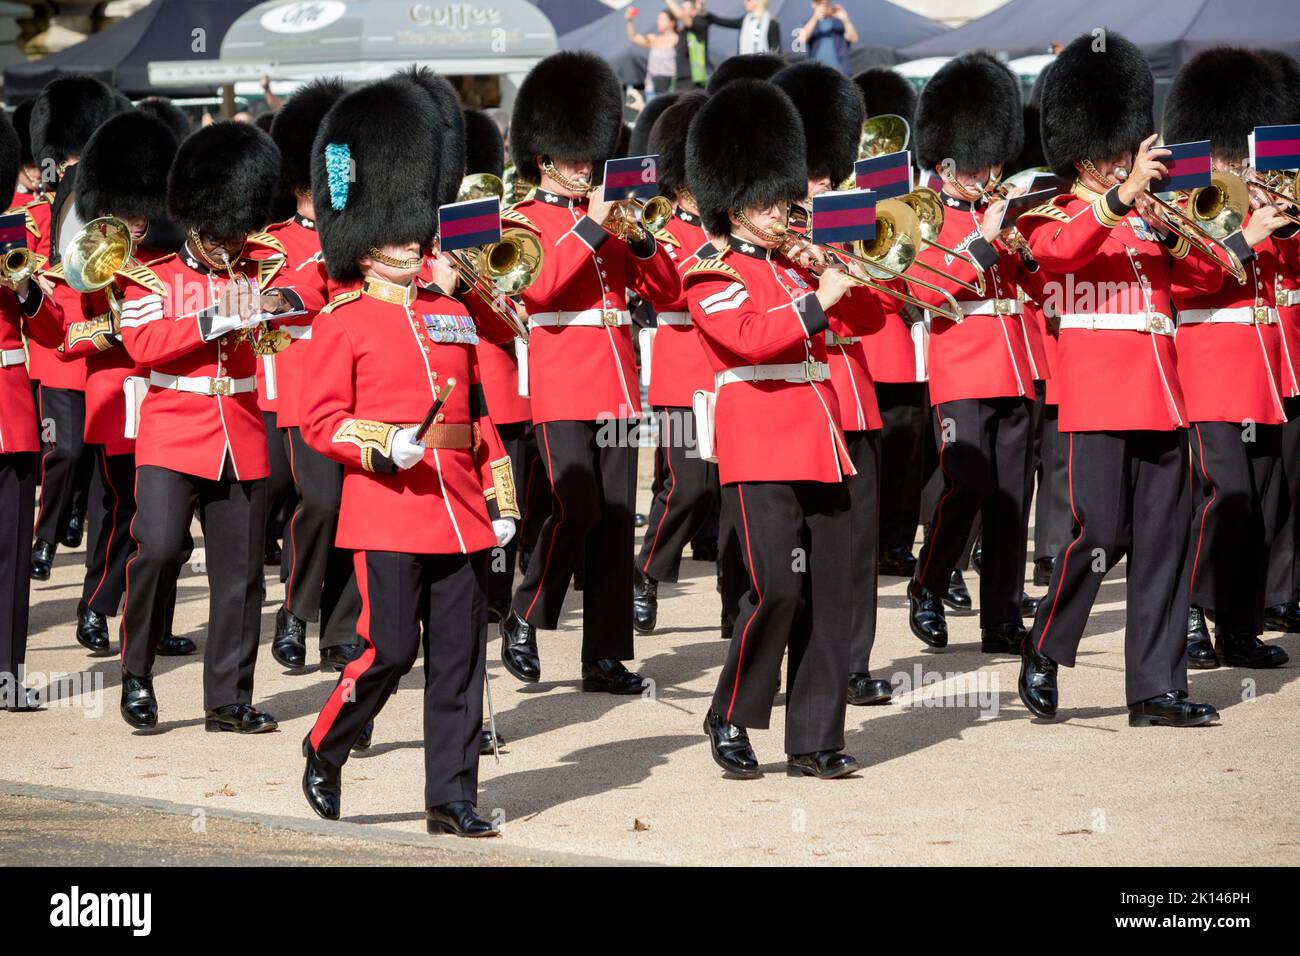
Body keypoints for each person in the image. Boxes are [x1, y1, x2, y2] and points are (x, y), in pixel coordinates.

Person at [299, 76, 516, 837]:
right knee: (388, 650)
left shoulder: (452, 312)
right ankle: (327, 743)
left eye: (413, 226)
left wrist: (503, 501)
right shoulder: (342, 322)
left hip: (459, 509)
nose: (409, 240)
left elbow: (479, 416)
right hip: (388, 507)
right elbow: (321, 419)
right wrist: (379, 443)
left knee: (459, 659)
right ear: (363, 240)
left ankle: (451, 797)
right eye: (393, 230)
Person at [1017, 31, 1225, 726]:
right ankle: (1046, 644)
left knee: (1166, 540)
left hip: (1163, 397)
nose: (1119, 162)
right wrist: (1118, 200)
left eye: (1124, 150)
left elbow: (1209, 276)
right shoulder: (1055, 210)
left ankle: (1156, 688)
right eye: (1110, 153)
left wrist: (1171, 229)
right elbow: (1056, 254)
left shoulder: (1147, 215)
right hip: (1098, 395)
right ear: (1082, 151)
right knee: (1099, 534)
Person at [687, 77, 865, 779]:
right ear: (732, 206)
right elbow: (752, 341)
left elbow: (855, 323)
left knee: (829, 595)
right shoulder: (708, 270)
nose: (776, 214)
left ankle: (815, 739)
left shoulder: (799, 265)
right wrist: (821, 298)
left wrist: (839, 277)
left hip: (822, 440)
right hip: (758, 442)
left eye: (777, 198)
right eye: (762, 203)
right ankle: (730, 712)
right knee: (777, 592)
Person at [495, 51, 680, 694]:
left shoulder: (613, 217)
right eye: (572, 160)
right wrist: (595, 226)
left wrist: (643, 242)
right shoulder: (522, 222)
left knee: (613, 518)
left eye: (588, 158)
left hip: (619, 387)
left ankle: (603, 654)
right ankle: (526, 611)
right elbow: (540, 290)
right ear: (545, 159)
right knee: (574, 506)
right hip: (561, 381)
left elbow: (667, 291)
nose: (583, 170)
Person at [116, 121, 302, 733]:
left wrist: (279, 312)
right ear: (197, 220)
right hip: (173, 428)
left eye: (238, 228)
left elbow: (296, 315)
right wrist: (211, 320)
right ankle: (137, 670)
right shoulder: (155, 276)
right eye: (222, 230)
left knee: (241, 577)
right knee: (161, 549)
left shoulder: (258, 268)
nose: (232, 241)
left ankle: (227, 698)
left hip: (241, 431)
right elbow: (142, 344)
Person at [906, 52, 1044, 656]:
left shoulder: (1002, 211)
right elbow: (925, 291)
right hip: (961, 361)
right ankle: (929, 583)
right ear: (946, 161)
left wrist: (1025, 247)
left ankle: (1002, 618)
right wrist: (985, 242)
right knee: (968, 482)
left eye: (996, 159)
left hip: (1016, 363)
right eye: (979, 161)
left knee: (1011, 496)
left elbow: (1034, 290)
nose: (990, 171)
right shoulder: (922, 216)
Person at [1163, 47, 1293, 670]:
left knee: (1258, 505)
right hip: (1208, 362)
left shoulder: (1264, 190)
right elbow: (1187, 281)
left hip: (1262, 369)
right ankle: (1189, 611)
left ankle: (1239, 627)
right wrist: (1245, 234)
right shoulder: (1185, 196)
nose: (1234, 164)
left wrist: (1285, 225)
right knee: (1220, 495)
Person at [771, 59, 894, 706]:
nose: (817, 183)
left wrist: (843, 268)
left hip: (854, 394)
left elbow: (876, 316)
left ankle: (853, 662)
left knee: (858, 544)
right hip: (796, 397)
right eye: (809, 172)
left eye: (824, 171)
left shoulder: (850, 223)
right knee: (787, 553)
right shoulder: (763, 238)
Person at [50, 109, 195, 659]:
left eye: (143, 213)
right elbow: (68, 337)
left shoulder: (163, 259)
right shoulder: (89, 258)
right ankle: (95, 605)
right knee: (123, 513)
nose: (138, 223)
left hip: (164, 394)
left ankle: (154, 622)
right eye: (129, 213)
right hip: (117, 399)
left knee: (170, 527)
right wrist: (116, 329)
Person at [263, 78, 364, 674]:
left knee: (356, 508)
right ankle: (296, 611)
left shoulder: (360, 237)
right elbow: (289, 289)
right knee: (320, 504)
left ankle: (341, 630)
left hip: (361, 384)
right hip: (303, 384)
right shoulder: (274, 243)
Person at [26, 75, 123, 581]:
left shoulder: (105, 207)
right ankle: (43, 536)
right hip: (59, 345)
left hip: (104, 341)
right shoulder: (30, 214)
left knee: (102, 464)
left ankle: (95, 579)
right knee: (63, 451)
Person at [0, 109, 69, 711]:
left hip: (11, 417)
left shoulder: (12, 234)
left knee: (11, 557)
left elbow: (50, 329)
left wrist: (25, 290)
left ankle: (5, 675)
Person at [626, 8, 680, 100]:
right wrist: (629, 21)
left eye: (661, 19)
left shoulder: (678, 39)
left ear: (672, 22)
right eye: (658, 19)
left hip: (671, 88)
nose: (658, 22)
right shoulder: (654, 39)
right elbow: (633, 38)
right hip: (652, 89)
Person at [798, 1, 857, 74]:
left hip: (840, 73)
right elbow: (800, 40)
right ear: (813, 5)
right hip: (816, 72)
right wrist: (815, 17)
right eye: (820, 3)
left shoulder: (839, 22)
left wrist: (845, 19)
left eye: (826, 3)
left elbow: (853, 38)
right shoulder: (807, 23)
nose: (824, 6)